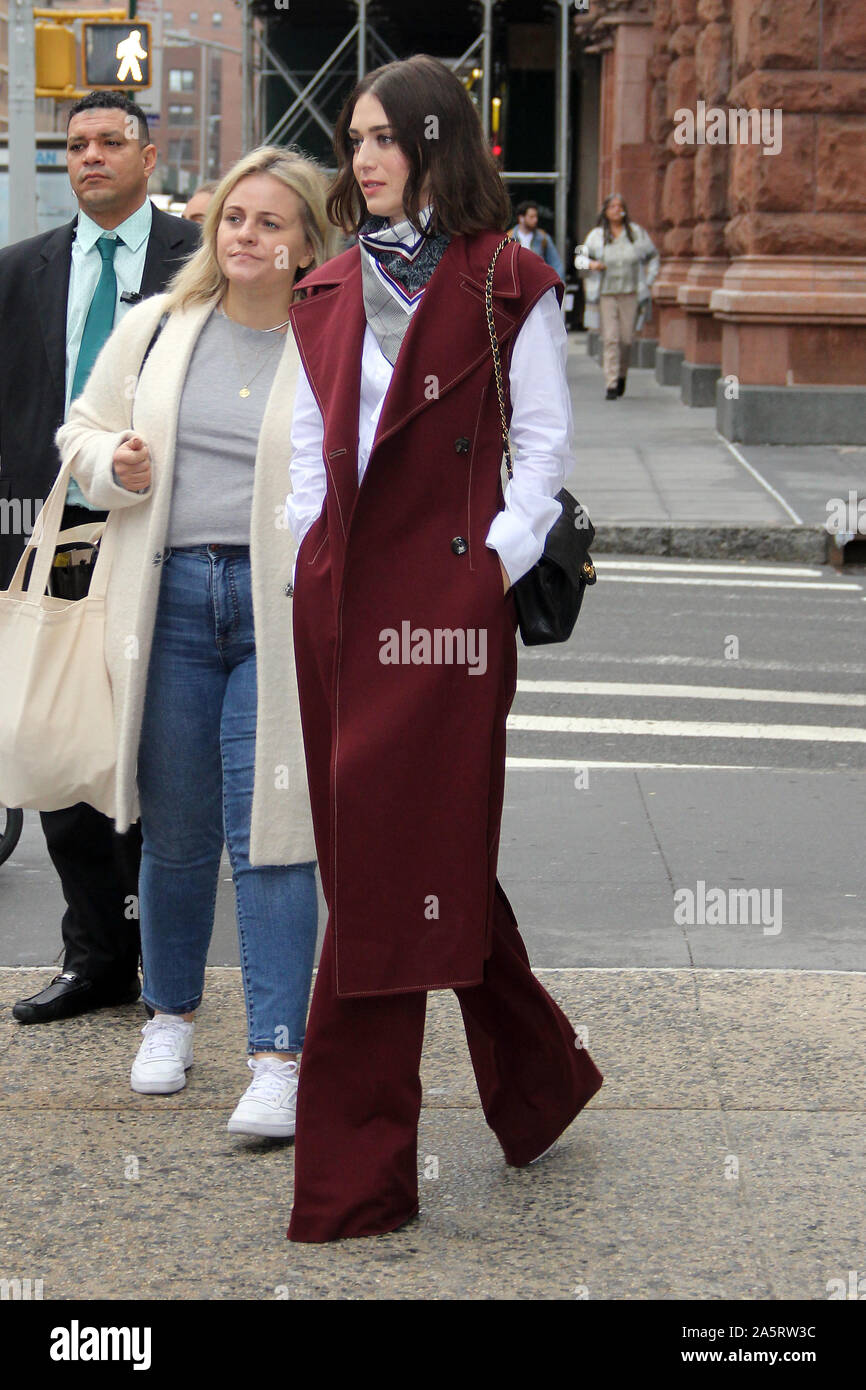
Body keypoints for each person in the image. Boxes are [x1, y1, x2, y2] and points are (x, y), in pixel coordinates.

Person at [284, 54, 603, 1242]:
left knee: (378, 868)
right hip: (335, 609)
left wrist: (485, 574)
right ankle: (541, 1079)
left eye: (381, 136)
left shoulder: (507, 278)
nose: (360, 157)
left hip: (447, 617)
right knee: (412, 849)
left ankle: (354, 1180)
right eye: (350, 138)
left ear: (433, 140)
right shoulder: (322, 288)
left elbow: (545, 447)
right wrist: (299, 563)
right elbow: (314, 459)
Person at [55, 147, 338, 1136]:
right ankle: (169, 1015)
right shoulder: (158, 329)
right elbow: (80, 433)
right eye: (231, 219)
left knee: (273, 829)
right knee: (173, 834)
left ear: (306, 241)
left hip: (279, 611)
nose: (245, 236)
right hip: (168, 603)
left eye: (268, 222)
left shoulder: (333, 338)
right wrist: (114, 461)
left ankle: (276, 1056)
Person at [1, 91, 201, 1025]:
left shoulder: (198, 263)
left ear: (148, 157)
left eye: (109, 143)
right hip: (54, 537)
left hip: (164, 529)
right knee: (60, 742)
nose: (89, 158)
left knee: (156, 750)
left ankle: (166, 970)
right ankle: (94, 960)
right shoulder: (20, 272)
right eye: (75, 145)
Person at [575, 192, 658, 399]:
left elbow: (653, 255)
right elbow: (579, 258)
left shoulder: (635, 233)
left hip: (630, 292)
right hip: (606, 294)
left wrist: (648, 281)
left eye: (619, 206)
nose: (616, 210)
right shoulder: (596, 235)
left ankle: (622, 375)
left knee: (626, 339)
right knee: (610, 338)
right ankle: (611, 383)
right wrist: (592, 264)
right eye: (612, 206)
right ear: (605, 211)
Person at [509, 200, 564, 278]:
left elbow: (556, 263)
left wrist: (559, 285)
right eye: (531, 217)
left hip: (538, 283)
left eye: (536, 216)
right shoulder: (509, 238)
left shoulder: (542, 237)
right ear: (521, 218)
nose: (535, 220)